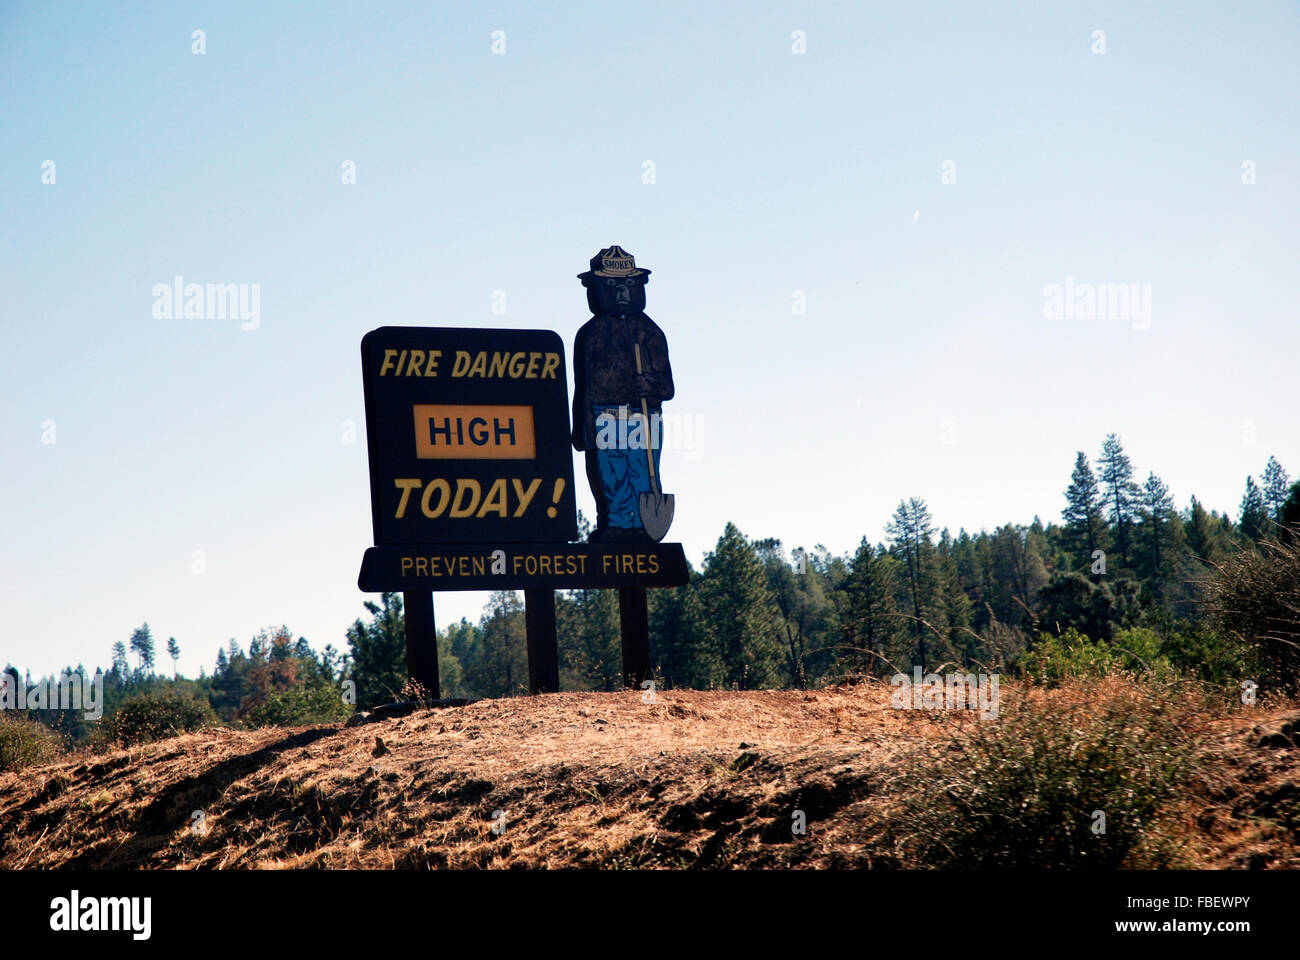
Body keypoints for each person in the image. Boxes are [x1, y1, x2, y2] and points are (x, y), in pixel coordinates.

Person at [571, 245, 674, 541]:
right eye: (612, 286)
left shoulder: (650, 332)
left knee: (643, 470)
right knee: (611, 473)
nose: (621, 293)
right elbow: (584, 385)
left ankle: (642, 525)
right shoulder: (592, 335)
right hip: (605, 413)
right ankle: (617, 524)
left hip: (644, 415)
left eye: (628, 285)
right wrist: (583, 425)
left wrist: (650, 386)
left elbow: (667, 386)